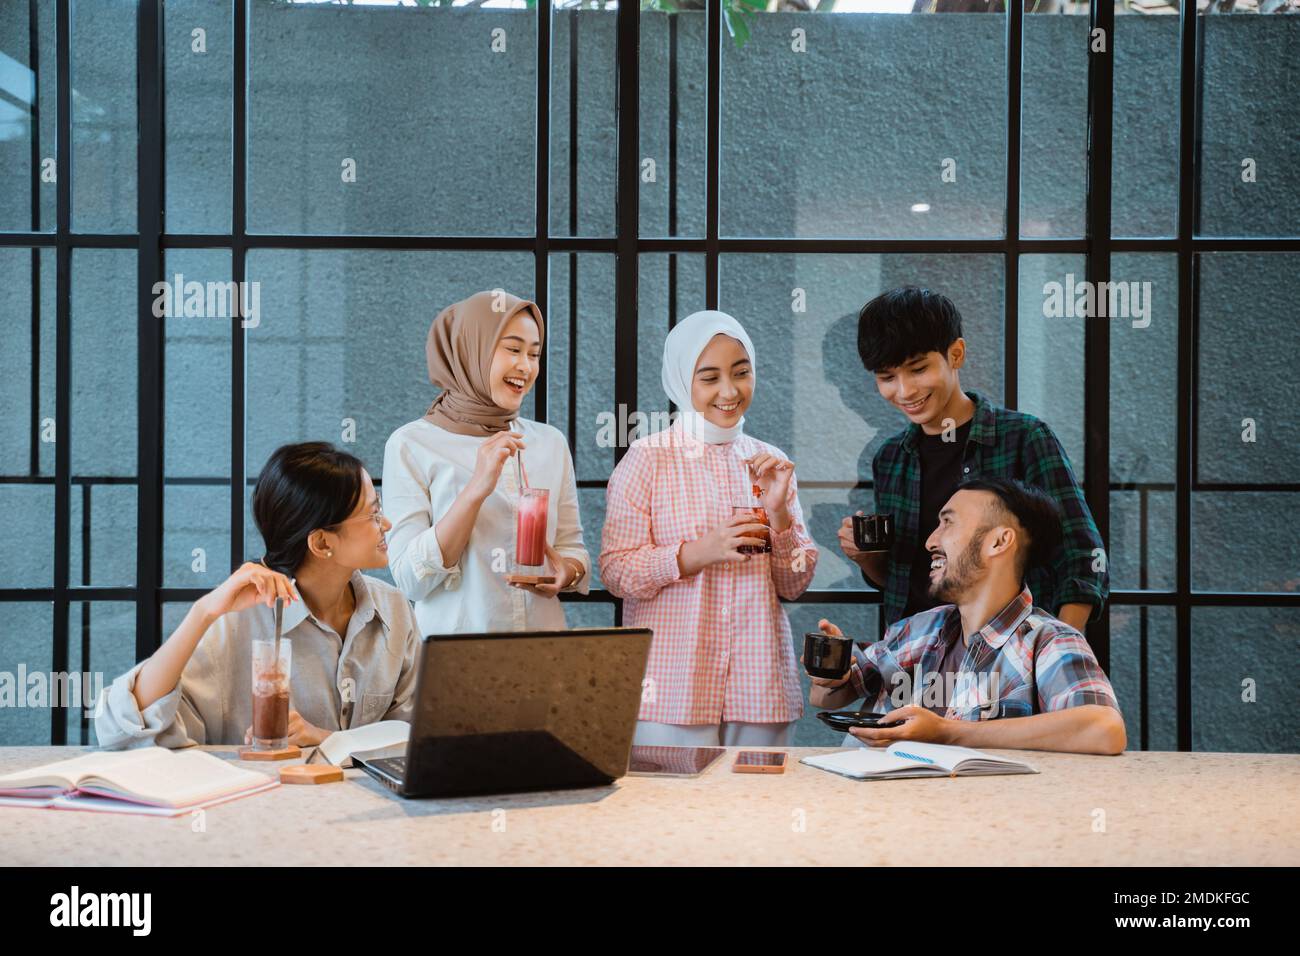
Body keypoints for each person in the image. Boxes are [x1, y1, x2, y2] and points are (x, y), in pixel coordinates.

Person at [97, 442, 420, 749]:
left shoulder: (394, 609)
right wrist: (203, 612)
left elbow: (418, 736)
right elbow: (120, 732)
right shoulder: (238, 624)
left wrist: (326, 739)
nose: (387, 524)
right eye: (373, 514)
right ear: (322, 543)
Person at [601, 310, 818, 748]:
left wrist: (779, 514)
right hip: (672, 690)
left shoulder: (771, 461)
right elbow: (615, 572)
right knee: (673, 817)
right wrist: (698, 552)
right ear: (683, 381)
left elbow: (794, 583)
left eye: (741, 373)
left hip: (758, 688)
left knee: (758, 812)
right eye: (709, 377)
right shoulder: (648, 458)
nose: (729, 391)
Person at [840, 286, 1107, 632]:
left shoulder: (1024, 438)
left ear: (956, 354)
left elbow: (1082, 556)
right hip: (917, 660)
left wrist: (1056, 650)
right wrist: (867, 558)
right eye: (887, 377)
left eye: (918, 369)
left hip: (1008, 659)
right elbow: (899, 579)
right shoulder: (890, 458)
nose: (904, 391)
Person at [812, 477, 1125, 755]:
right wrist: (832, 671)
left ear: (999, 541)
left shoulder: (1047, 641)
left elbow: (1105, 729)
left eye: (948, 523)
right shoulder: (919, 629)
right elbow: (826, 698)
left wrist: (947, 733)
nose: (930, 542)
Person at [383, 290, 589, 635]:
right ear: (470, 350)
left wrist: (568, 572)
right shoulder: (411, 444)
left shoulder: (549, 443)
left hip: (543, 651)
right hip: (456, 659)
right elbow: (409, 579)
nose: (525, 366)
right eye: (512, 349)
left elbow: (572, 547)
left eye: (534, 354)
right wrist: (476, 489)